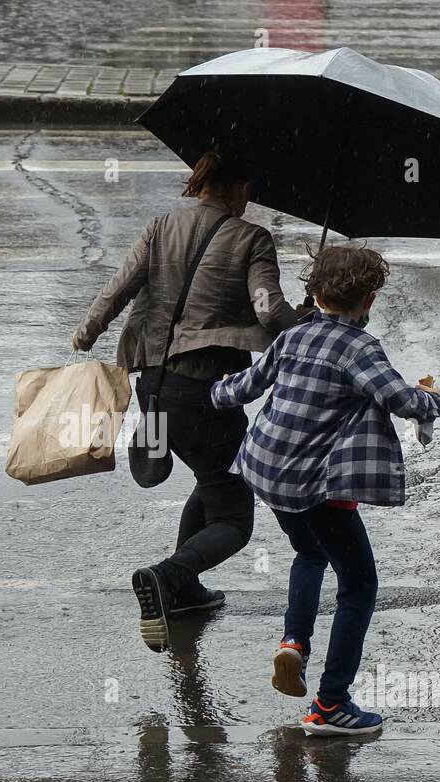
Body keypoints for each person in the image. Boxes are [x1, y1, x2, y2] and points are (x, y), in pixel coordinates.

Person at [72, 151, 305, 650]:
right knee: (235, 517)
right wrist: (308, 326)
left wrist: (88, 331)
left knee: (214, 478)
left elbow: (118, 288)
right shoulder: (251, 237)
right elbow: (268, 309)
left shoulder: (161, 226)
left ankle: (186, 589)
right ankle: (166, 576)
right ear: (239, 188)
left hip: (152, 387)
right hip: (205, 392)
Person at [211, 244, 440, 735]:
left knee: (309, 554)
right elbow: (399, 399)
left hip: (267, 470)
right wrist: (432, 400)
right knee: (359, 586)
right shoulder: (360, 348)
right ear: (370, 301)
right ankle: (330, 706)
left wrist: (214, 391)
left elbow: (247, 386)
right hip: (318, 482)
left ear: (314, 293)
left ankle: (293, 643)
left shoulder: (294, 335)